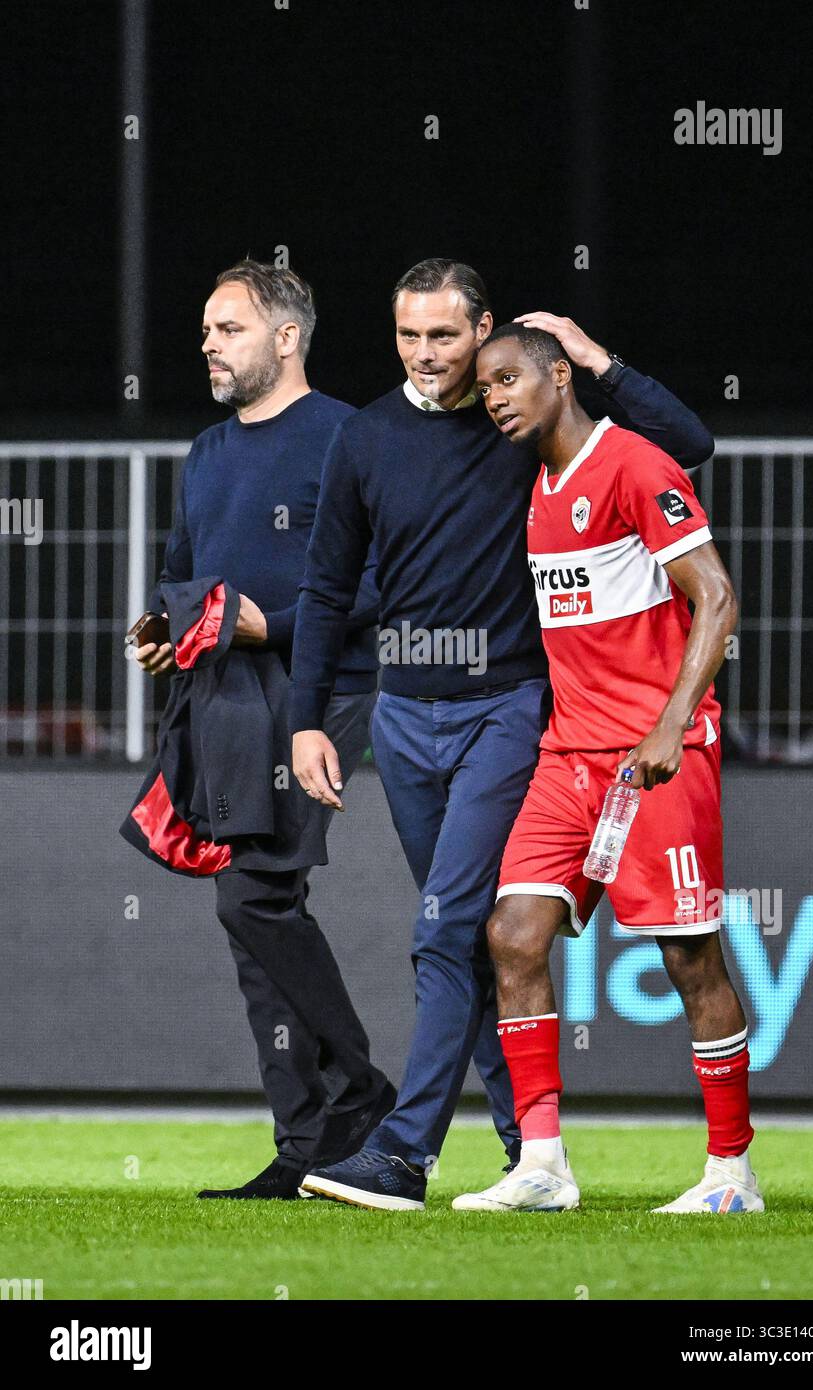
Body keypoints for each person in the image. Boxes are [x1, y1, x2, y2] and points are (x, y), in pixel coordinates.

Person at [292, 259, 716, 1211]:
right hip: (402, 720)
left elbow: (689, 444)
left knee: (444, 928)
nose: (425, 353)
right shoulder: (365, 435)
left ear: (484, 332)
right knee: (478, 940)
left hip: (510, 711)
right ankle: (531, 1151)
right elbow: (326, 589)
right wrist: (305, 721)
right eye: (408, 334)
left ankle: (403, 1155)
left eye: (444, 335)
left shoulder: (515, 418)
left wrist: (594, 358)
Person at [453, 322, 762, 1215]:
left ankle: (731, 1174)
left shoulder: (632, 464)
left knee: (689, 958)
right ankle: (542, 1165)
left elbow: (718, 597)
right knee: (513, 934)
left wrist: (672, 725)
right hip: (569, 757)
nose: (495, 398)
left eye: (509, 378)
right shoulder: (540, 489)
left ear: (560, 375)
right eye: (486, 387)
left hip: (653, 757)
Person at [134, 259, 395, 1199]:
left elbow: (381, 582)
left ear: (287, 338)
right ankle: (306, 1144)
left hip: (315, 690)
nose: (208, 343)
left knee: (254, 896)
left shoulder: (348, 436)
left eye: (229, 327)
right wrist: (165, 629)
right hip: (221, 690)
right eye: (206, 329)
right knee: (248, 918)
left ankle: (361, 1092)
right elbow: (184, 571)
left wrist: (271, 629)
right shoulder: (207, 450)